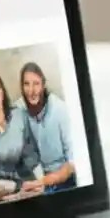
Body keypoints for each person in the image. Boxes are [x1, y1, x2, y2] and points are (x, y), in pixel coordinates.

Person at [17, 62, 77, 193]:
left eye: (36, 84)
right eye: (26, 84)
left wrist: (43, 182)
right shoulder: (19, 110)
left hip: (62, 179)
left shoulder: (59, 108)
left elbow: (72, 163)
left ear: (43, 85)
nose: (31, 91)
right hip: (34, 178)